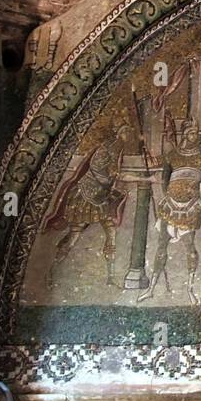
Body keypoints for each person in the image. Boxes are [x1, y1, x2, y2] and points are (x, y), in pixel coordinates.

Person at [47, 123, 133, 287]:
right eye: (125, 131)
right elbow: (95, 167)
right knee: (74, 236)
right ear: (119, 133)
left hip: (102, 197)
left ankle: (110, 277)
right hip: (87, 195)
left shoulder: (118, 149)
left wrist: (113, 180)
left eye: (129, 132)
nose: (128, 135)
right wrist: (111, 178)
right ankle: (52, 272)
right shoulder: (107, 147)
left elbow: (113, 172)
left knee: (111, 233)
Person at [146, 123, 201, 303]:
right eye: (191, 133)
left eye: (196, 133)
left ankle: (190, 289)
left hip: (191, 206)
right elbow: (165, 178)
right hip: (170, 205)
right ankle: (151, 288)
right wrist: (167, 195)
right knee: (161, 246)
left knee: (190, 248)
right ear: (185, 134)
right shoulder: (173, 154)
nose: (194, 136)